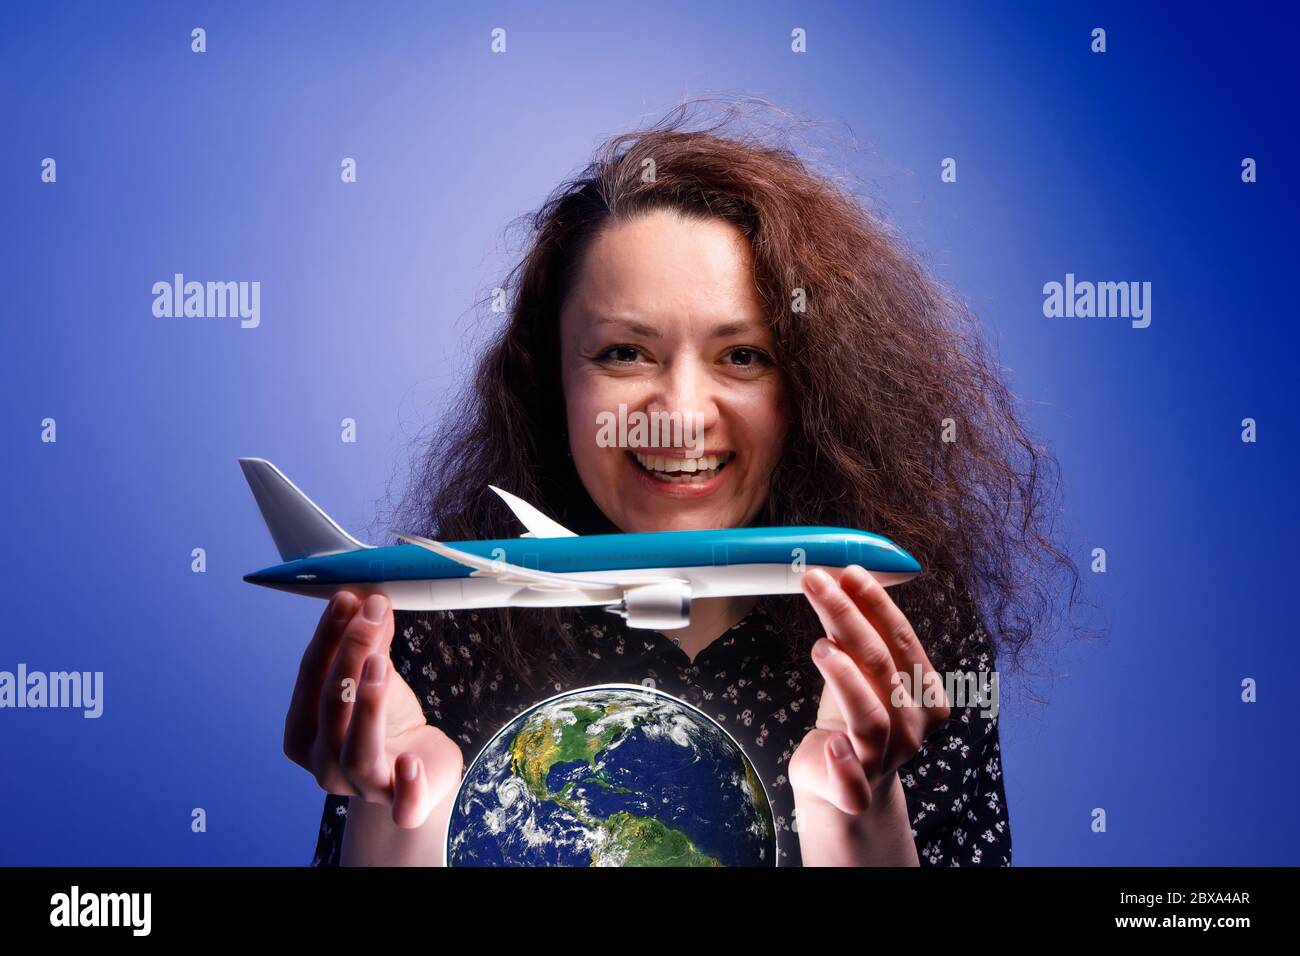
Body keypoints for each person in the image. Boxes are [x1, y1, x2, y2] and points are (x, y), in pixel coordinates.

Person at [285, 100, 1079, 867]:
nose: (681, 417)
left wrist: (860, 814)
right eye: (624, 353)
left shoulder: (912, 641)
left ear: (812, 384)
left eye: (743, 356)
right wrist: (393, 820)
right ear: (550, 381)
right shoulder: (434, 638)